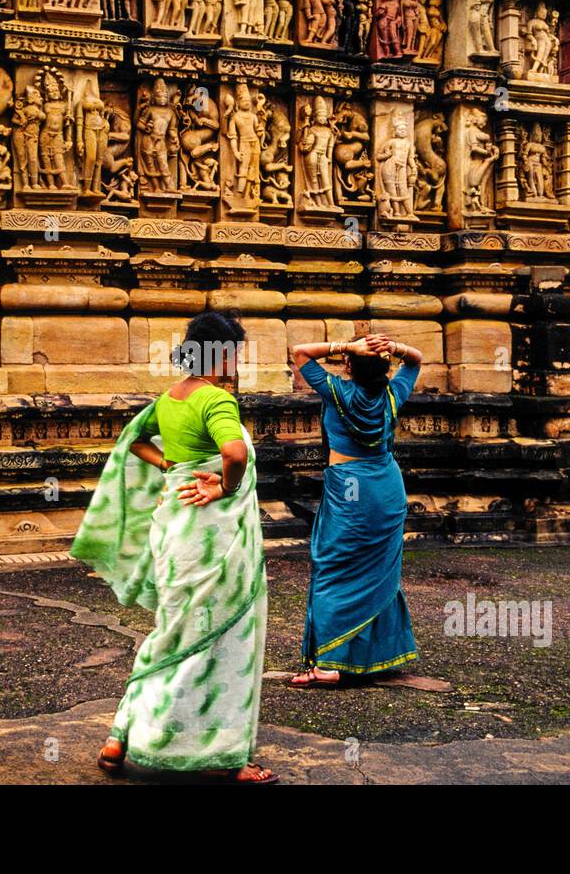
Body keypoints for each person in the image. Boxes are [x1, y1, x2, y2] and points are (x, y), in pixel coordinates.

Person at [72, 311, 276, 783]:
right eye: (235, 353)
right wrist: (225, 488)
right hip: (212, 539)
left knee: (172, 632)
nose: (237, 363)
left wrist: (172, 467)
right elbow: (235, 454)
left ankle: (120, 736)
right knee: (221, 641)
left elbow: (133, 441)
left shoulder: (169, 399)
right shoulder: (216, 400)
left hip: (173, 532)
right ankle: (228, 756)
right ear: (221, 354)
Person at [287, 334, 423, 687]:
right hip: (387, 488)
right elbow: (416, 359)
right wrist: (396, 347)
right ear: (385, 367)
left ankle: (331, 662)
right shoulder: (393, 395)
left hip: (350, 487)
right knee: (379, 571)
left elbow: (300, 351)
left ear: (349, 365)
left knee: (334, 566)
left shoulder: (337, 391)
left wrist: (344, 346)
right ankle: (374, 657)